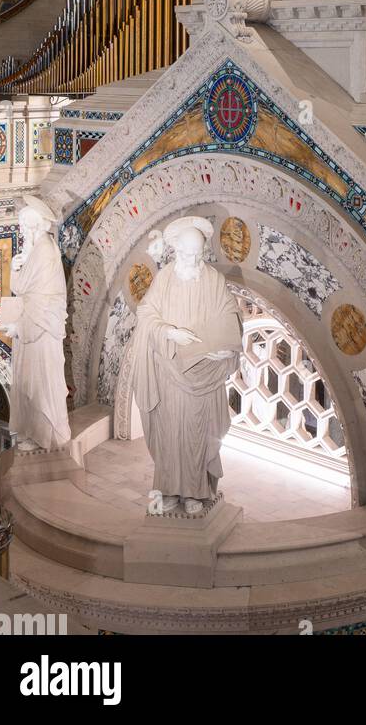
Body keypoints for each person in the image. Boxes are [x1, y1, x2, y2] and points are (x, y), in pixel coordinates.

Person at [128, 216, 241, 516]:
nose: (193, 259)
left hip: (203, 372)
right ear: (176, 248)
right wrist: (169, 332)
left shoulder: (213, 280)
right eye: (187, 253)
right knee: (170, 434)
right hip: (169, 368)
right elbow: (147, 313)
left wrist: (224, 350)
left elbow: (230, 314)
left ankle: (195, 492)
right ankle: (167, 490)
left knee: (196, 433)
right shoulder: (165, 278)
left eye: (198, 253)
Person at [0, 195, 70, 453]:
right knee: (28, 382)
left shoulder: (45, 251)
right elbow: (21, 290)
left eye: (22, 225)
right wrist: (15, 268)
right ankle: (32, 431)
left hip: (40, 332)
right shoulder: (33, 250)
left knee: (40, 383)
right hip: (29, 328)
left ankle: (47, 435)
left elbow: (45, 300)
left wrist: (21, 327)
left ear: (34, 226)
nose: (20, 230)